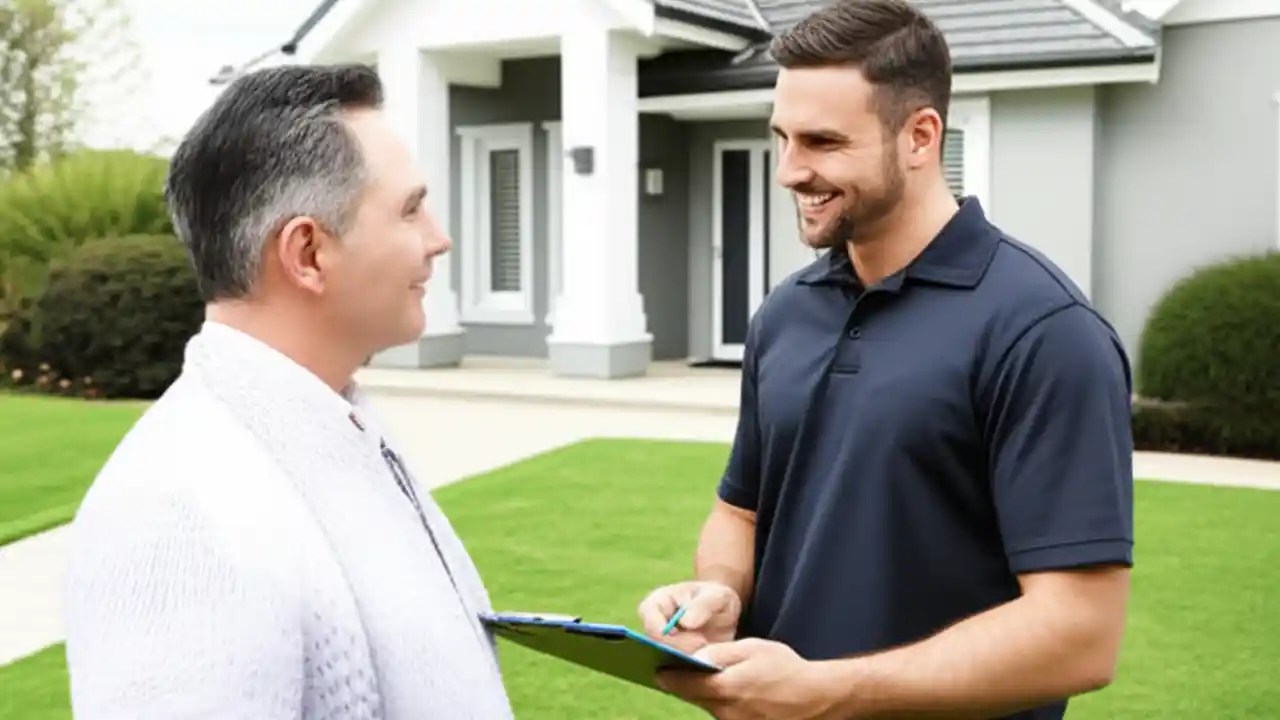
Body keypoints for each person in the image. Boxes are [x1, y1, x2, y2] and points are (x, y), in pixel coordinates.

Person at [637, 2, 1134, 719]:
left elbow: (1079, 635)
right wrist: (722, 590)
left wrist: (827, 692)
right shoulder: (784, 315)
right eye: (781, 138)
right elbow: (739, 512)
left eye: (822, 142)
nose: (789, 171)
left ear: (920, 137)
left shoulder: (1044, 331)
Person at [62, 64, 514, 719]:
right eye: (410, 210)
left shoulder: (344, 431)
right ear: (307, 253)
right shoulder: (180, 513)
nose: (438, 238)